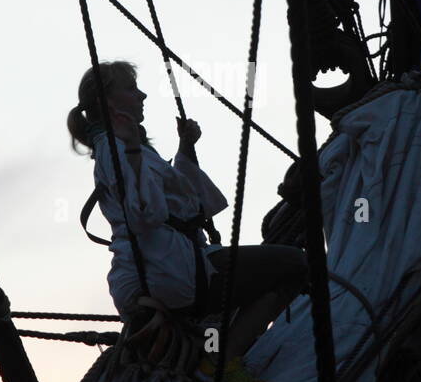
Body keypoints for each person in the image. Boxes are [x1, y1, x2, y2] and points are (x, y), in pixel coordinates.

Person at [67, 61, 309, 365]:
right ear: (108, 100)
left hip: (171, 265)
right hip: (167, 271)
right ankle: (225, 361)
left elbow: (179, 203)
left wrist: (185, 148)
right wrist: (130, 149)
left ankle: (221, 354)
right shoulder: (116, 149)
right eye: (131, 88)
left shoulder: (127, 148)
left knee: (260, 275)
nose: (142, 96)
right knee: (294, 265)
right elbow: (145, 215)